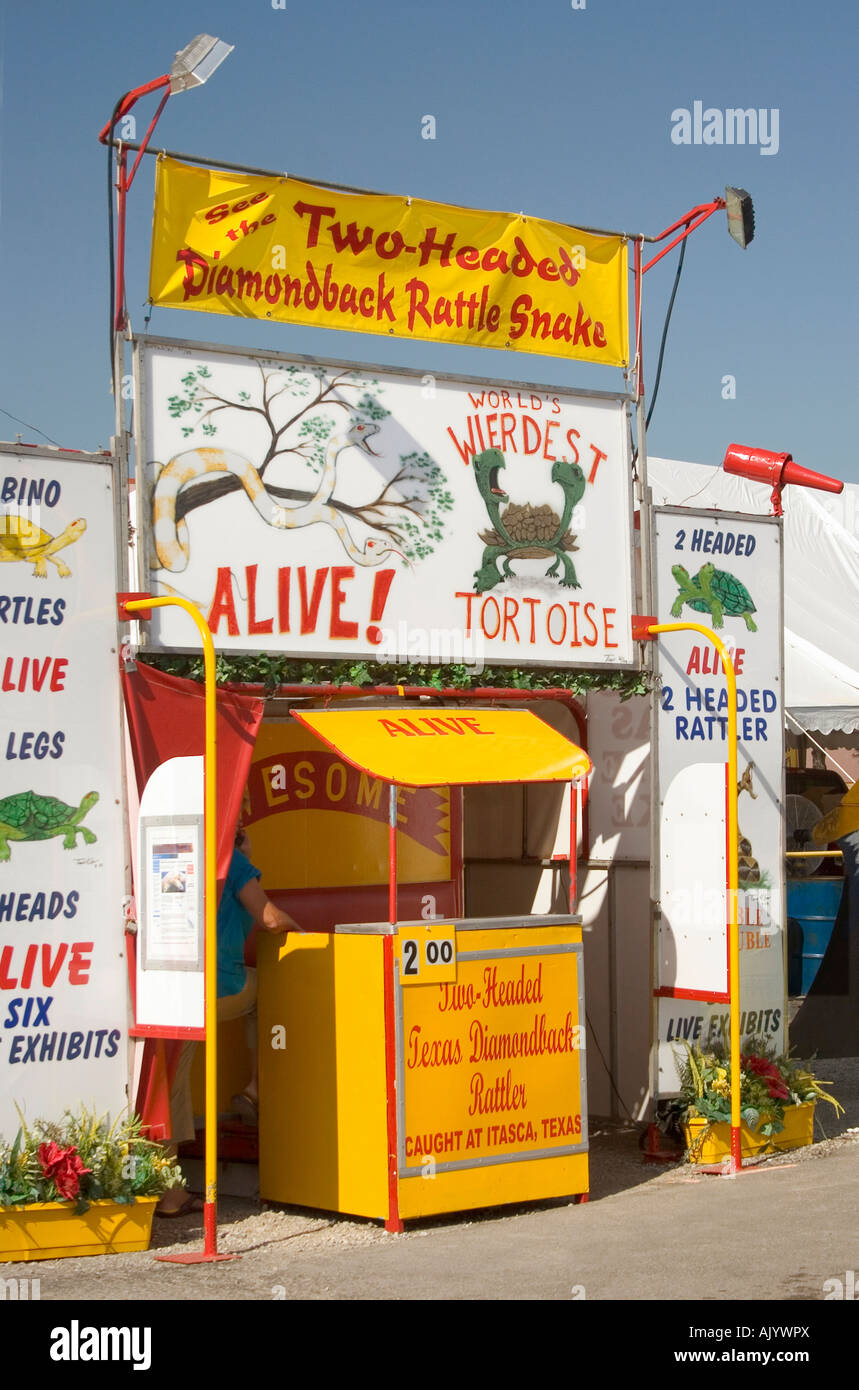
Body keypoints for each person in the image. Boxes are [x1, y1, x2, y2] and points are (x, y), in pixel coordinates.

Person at [157, 825, 299, 1217]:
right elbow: (270, 919)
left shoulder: (177, 853)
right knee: (267, 993)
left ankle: (168, 1190)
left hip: (170, 984)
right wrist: (306, 936)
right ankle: (254, 1089)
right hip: (219, 986)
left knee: (173, 1080)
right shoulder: (233, 860)